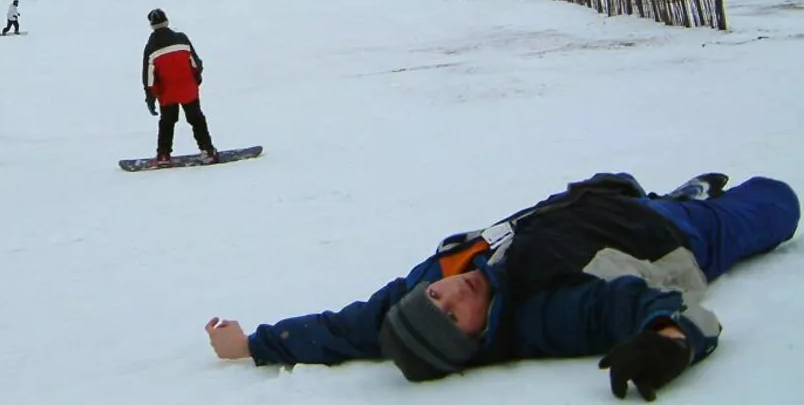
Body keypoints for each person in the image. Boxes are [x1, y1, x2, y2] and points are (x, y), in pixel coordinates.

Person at [206, 171, 799, 400]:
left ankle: (679, 187)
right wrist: (670, 341)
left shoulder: (433, 284)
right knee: (778, 200)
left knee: (645, 189)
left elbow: (346, 329)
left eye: (433, 299)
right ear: (474, 341)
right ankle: (692, 199)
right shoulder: (547, 316)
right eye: (452, 314)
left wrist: (255, 344)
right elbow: (655, 310)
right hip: (672, 233)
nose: (450, 295)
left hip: (586, 201)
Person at [142, 8, 217, 165]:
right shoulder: (182, 39)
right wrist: (196, 80)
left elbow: (148, 78)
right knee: (196, 119)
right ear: (167, 22)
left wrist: (151, 97)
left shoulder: (151, 47)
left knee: (167, 122)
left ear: (152, 26)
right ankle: (208, 151)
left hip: (167, 92)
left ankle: (163, 156)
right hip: (188, 88)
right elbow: (196, 64)